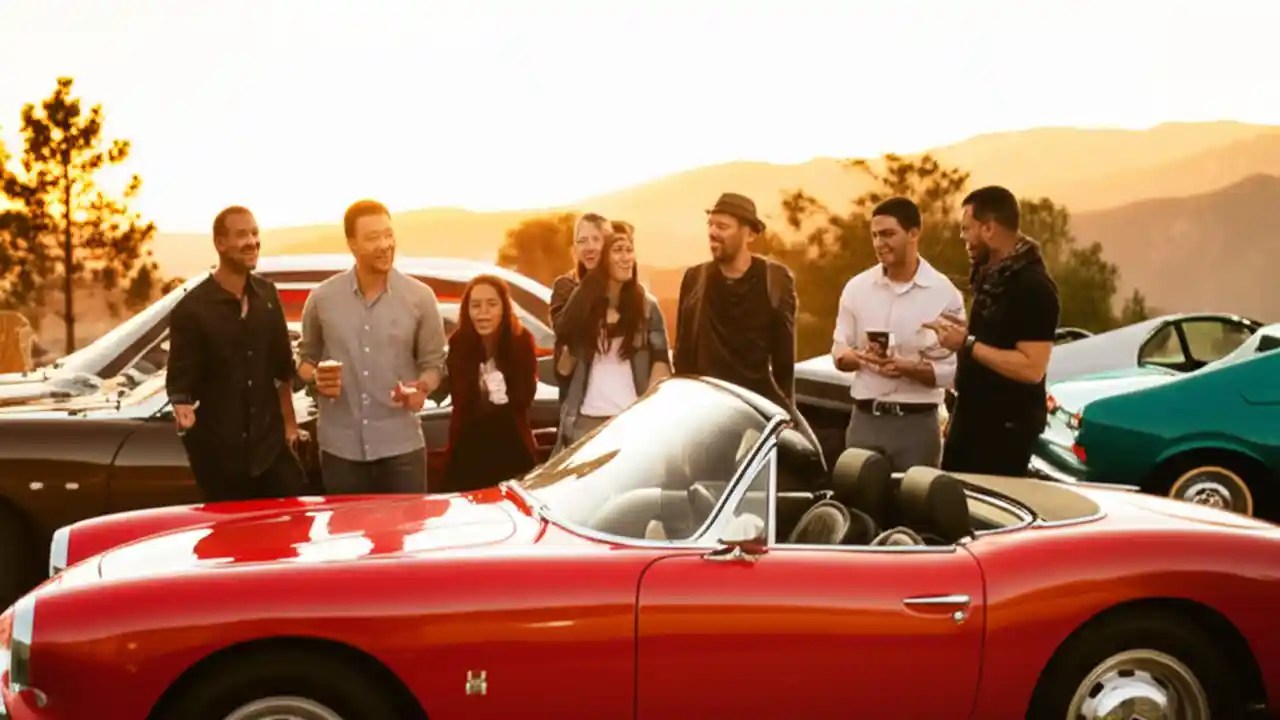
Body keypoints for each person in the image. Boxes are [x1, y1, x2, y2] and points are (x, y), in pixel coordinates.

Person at [297, 199, 448, 494]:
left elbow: (434, 364)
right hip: (341, 453)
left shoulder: (421, 298)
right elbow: (304, 362)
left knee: (406, 539)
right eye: (372, 238)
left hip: (402, 448)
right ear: (352, 244)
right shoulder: (322, 299)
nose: (384, 245)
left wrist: (422, 387)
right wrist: (315, 377)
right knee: (347, 540)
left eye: (388, 235)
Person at [166, 206, 308, 502]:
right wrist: (183, 410)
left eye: (255, 234)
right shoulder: (192, 310)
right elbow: (180, 384)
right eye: (242, 235)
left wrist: (290, 426)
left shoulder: (267, 296)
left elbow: (282, 370)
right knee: (231, 542)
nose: (252, 242)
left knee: (293, 529)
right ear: (220, 243)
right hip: (221, 458)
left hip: (271, 451)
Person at [926, 185, 1061, 476]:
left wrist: (967, 342)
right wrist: (962, 332)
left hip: (1003, 432)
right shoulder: (992, 278)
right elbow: (997, 339)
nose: (962, 237)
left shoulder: (1033, 287)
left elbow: (1031, 368)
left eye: (966, 229)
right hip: (971, 422)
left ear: (988, 229)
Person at [832, 197, 966, 472]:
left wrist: (908, 368)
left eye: (889, 234)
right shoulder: (857, 288)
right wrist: (860, 358)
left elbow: (953, 373)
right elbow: (839, 353)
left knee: (913, 510)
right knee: (859, 508)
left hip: (916, 425)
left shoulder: (943, 293)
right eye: (875, 235)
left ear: (914, 233)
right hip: (865, 421)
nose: (880, 243)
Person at [673, 192, 797, 407]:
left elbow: (784, 361)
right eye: (710, 225)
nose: (712, 232)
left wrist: (784, 412)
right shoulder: (695, 278)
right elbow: (683, 355)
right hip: (705, 406)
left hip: (755, 408)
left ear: (748, 235)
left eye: (722, 227)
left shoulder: (775, 279)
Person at [553, 221, 671, 447]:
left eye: (629, 250)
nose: (626, 257)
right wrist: (584, 300)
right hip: (584, 423)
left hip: (630, 421)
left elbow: (661, 365)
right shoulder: (581, 304)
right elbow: (564, 369)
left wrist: (644, 416)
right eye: (618, 250)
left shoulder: (647, 307)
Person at [441, 275, 540, 492]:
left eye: (492, 304)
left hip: (511, 450)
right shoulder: (459, 343)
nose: (483, 312)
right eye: (475, 305)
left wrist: (501, 390)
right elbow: (459, 400)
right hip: (467, 454)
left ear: (504, 308)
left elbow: (525, 396)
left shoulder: (520, 341)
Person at [549, 213, 609, 401]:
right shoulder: (565, 286)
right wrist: (592, 280)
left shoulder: (625, 290)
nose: (589, 247)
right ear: (574, 248)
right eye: (582, 241)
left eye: (596, 239)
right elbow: (563, 328)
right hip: (579, 400)